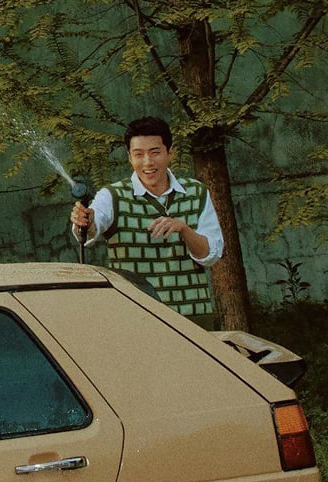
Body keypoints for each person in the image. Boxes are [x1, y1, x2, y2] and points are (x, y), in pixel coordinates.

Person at [68, 116, 224, 327]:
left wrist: (184, 229)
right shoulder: (112, 195)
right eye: (138, 154)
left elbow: (210, 255)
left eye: (155, 152)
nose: (148, 162)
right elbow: (92, 227)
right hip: (136, 321)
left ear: (170, 152)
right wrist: (85, 221)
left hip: (194, 319)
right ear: (130, 158)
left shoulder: (196, 192)